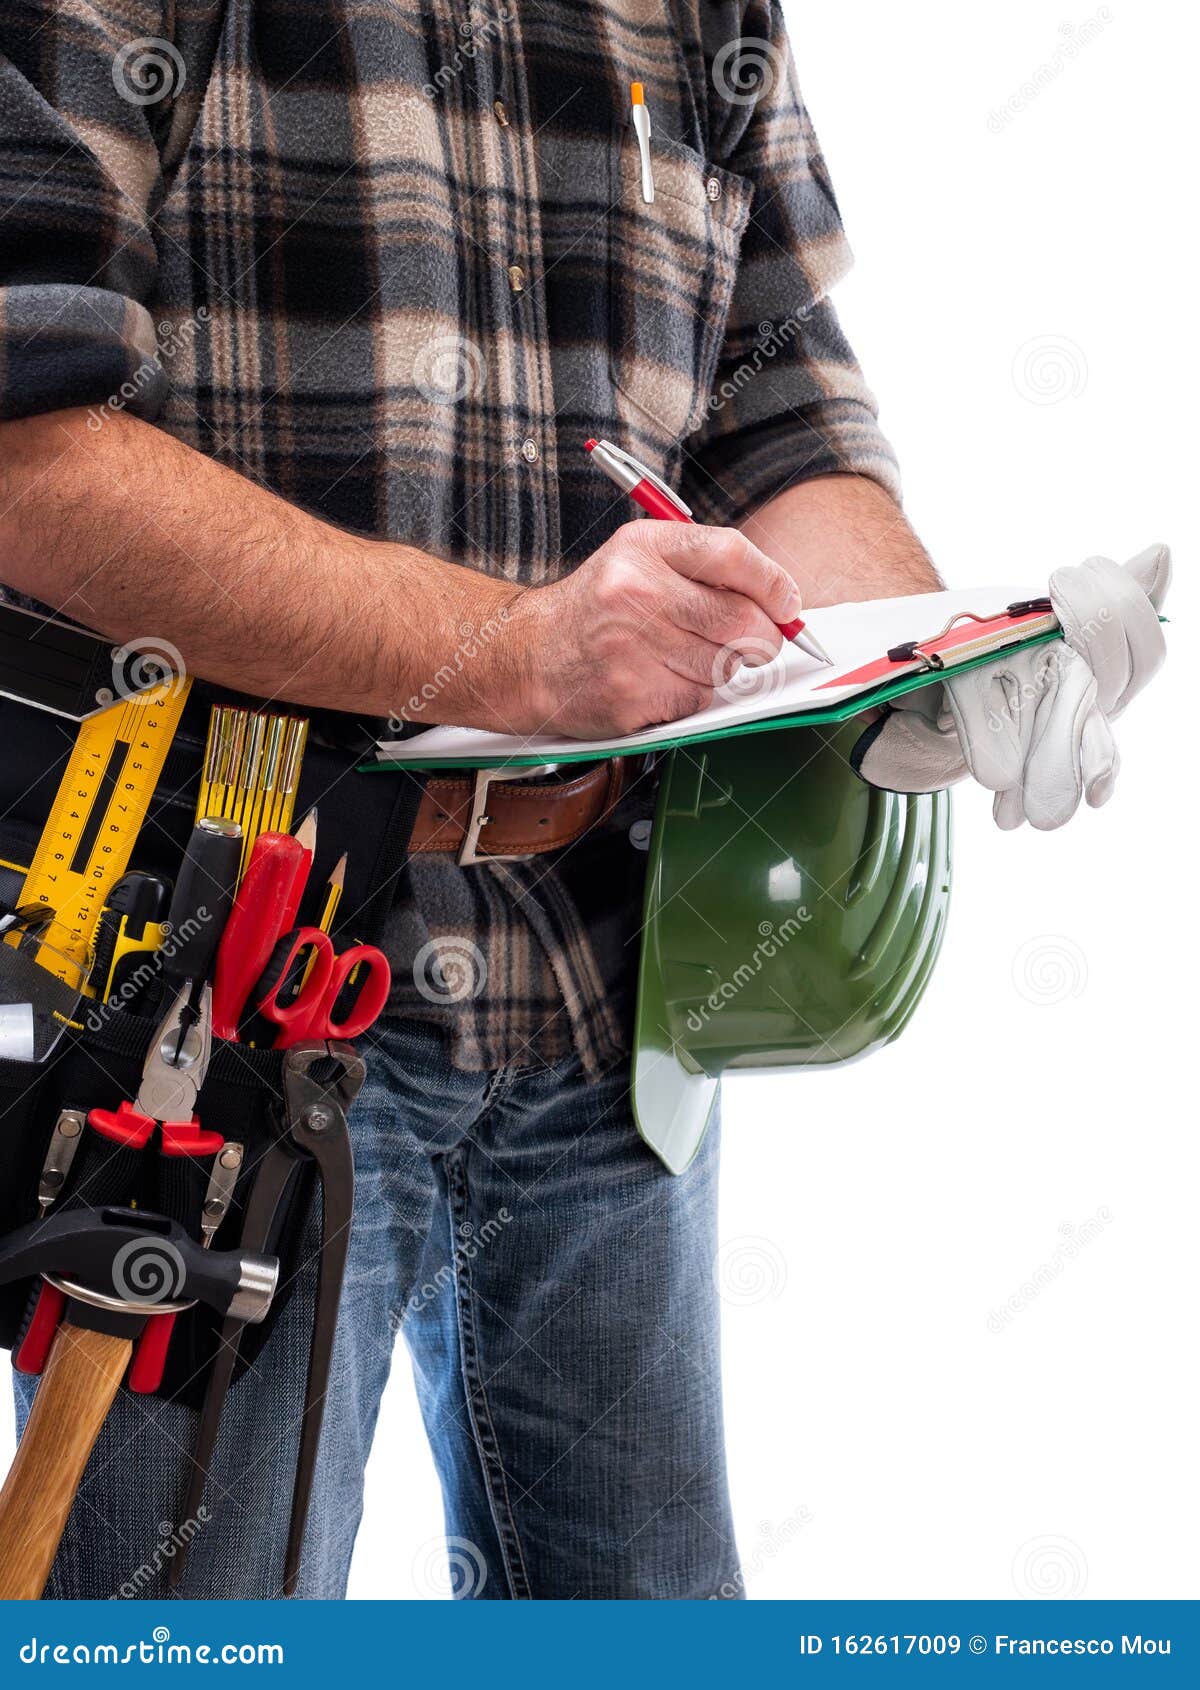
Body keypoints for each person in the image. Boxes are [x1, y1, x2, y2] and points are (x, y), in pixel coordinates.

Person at [0, 1, 1165, 1599]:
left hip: (616, 970)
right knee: (192, 1631)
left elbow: (782, 424)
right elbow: (26, 448)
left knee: (654, 1625)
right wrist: (516, 654)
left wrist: (933, 654)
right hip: (223, 987)